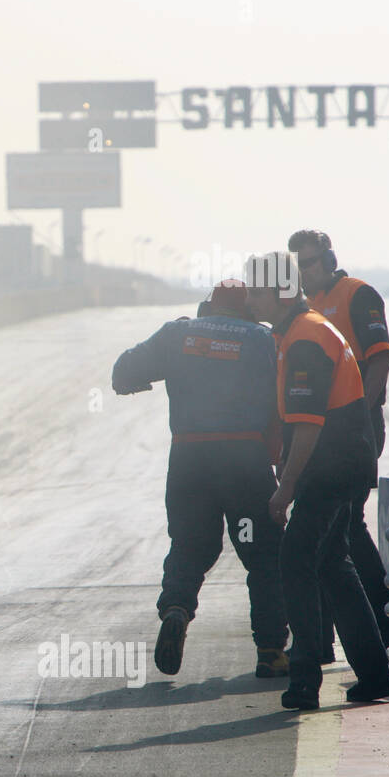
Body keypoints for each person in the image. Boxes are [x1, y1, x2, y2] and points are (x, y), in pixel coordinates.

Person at [112, 279, 289, 678]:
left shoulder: (178, 332)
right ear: (247, 309)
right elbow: (288, 400)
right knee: (262, 555)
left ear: (207, 307)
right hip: (244, 458)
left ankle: (176, 607)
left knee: (190, 545)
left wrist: (136, 383)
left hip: (190, 456)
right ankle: (271, 651)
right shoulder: (264, 338)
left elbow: (123, 371)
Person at [243, 252, 389, 710]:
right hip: (342, 463)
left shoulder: (306, 338)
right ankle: (373, 675)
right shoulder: (297, 330)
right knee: (334, 565)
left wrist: (286, 485)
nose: (251, 300)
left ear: (281, 292)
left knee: (296, 562)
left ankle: (305, 682)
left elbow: (308, 422)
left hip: (329, 468)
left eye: (256, 292)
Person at [288, 229, 389, 649]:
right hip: (322, 432)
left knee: (346, 527)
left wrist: (361, 417)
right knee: (330, 529)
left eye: (309, 263)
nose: (302, 272)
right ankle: (324, 636)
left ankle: (383, 625)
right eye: (296, 265)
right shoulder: (306, 306)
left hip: (355, 430)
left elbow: (381, 357)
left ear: (330, 260)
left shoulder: (357, 294)